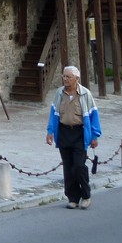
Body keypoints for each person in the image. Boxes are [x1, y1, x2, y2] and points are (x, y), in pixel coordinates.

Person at [45, 65, 101, 209]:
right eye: (64, 76)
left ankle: (86, 195)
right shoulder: (59, 93)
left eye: (68, 77)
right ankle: (73, 198)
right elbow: (54, 113)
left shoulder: (85, 94)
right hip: (63, 132)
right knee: (68, 167)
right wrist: (50, 132)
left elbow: (94, 115)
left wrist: (95, 135)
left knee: (78, 166)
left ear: (76, 78)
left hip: (79, 133)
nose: (65, 79)